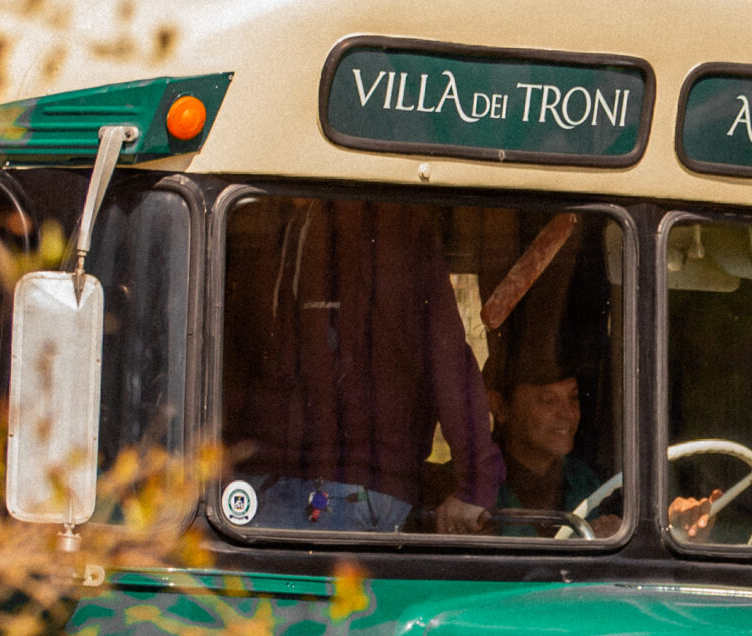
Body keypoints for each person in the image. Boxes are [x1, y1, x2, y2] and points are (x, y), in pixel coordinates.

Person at [223, 198, 500, 531]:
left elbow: (446, 355)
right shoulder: (396, 220)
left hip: (295, 487)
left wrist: (475, 483)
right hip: (360, 488)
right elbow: (447, 355)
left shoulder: (256, 215)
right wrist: (476, 484)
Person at [484, 336, 616, 537]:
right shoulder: (474, 489)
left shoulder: (584, 481)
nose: (568, 414)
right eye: (548, 400)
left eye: (573, 398)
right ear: (500, 406)